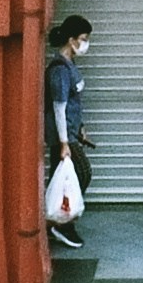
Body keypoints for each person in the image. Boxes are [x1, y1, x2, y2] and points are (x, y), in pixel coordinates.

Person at [45, 11, 93, 187]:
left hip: (71, 132)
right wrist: (64, 143)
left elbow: (74, 101)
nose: (86, 44)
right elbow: (59, 107)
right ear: (71, 40)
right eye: (83, 39)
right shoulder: (60, 70)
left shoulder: (70, 65)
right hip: (63, 135)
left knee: (63, 181)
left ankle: (59, 206)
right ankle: (59, 206)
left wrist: (80, 127)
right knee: (82, 173)